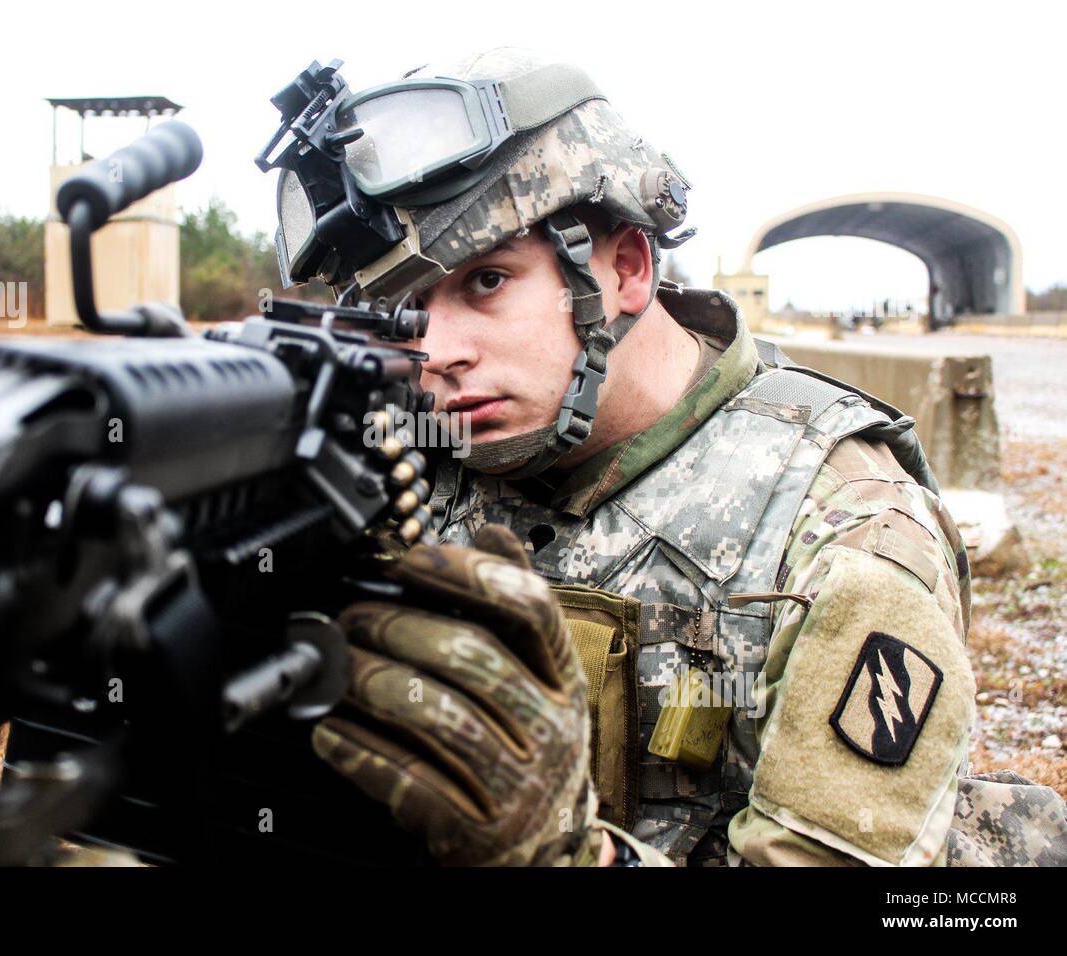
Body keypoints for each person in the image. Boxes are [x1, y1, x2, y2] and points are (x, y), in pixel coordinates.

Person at [262, 48, 1066, 866]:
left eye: (487, 281)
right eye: (402, 311)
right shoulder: (409, 459)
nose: (437, 353)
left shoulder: (846, 530)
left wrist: (562, 854)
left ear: (625, 267)